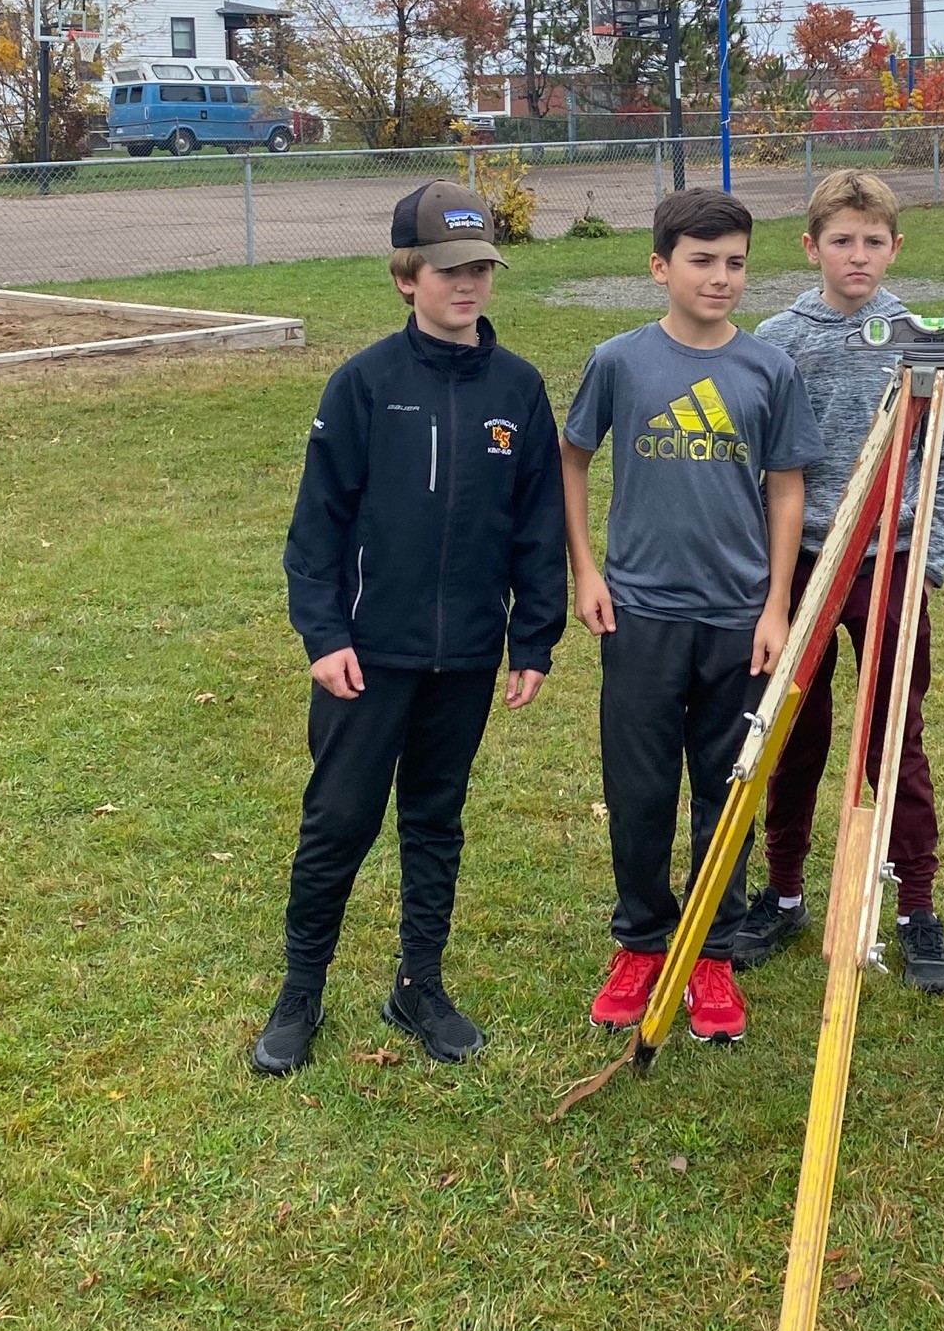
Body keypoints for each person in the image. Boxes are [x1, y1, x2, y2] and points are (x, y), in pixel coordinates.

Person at [252, 182, 565, 1076]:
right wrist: (325, 637)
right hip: (368, 657)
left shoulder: (518, 390)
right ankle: (300, 992)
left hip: (465, 656)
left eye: (480, 269)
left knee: (436, 822)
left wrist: (532, 639)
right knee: (338, 823)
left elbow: (538, 528)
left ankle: (418, 985)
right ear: (406, 276)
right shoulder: (364, 385)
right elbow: (315, 533)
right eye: (447, 269)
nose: (467, 285)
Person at [563, 189, 822, 1048]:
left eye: (736, 262)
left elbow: (788, 489)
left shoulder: (768, 370)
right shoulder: (621, 362)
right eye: (701, 260)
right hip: (638, 613)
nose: (720, 277)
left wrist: (778, 604)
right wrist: (587, 568)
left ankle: (710, 948)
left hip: (739, 619)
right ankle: (641, 941)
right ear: (660, 267)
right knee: (638, 791)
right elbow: (572, 459)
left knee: (726, 791)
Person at [733, 169, 944, 991]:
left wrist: (929, 558)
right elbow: (758, 464)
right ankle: (786, 888)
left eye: (873, 241)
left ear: (894, 247)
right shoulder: (778, 341)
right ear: (812, 248)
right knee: (792, 728)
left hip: (890, 559)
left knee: (894, 734)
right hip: (803, 562)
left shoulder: (918, 334)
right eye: (842, 240)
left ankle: (916, 906)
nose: (858, 255)